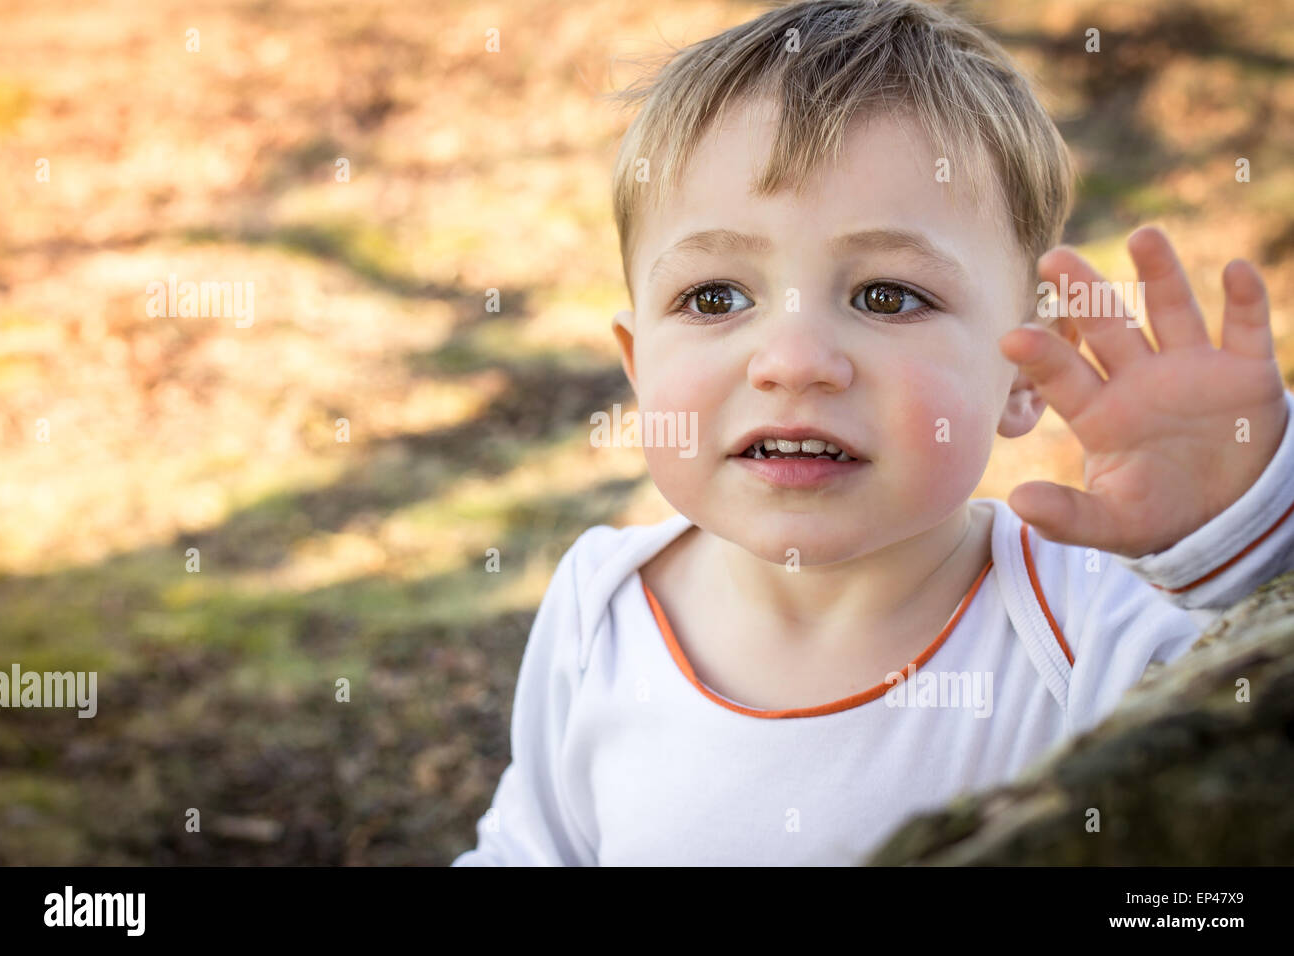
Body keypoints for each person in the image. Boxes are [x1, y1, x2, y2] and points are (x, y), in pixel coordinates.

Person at [453, 0, 1294, 865]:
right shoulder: (601, 610)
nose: (793, 360)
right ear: (638, 369)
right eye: (715, 298)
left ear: (1025, 372)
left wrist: (1240, 530)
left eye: (887, 296)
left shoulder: (1092, 624)